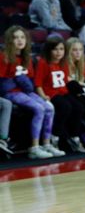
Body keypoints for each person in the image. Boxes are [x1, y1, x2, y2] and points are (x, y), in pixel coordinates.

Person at [0, 26, 59, 158]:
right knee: (38, 109)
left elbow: (30, 84)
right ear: (9, 40)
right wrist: (18, 80)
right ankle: (34, 147)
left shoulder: (27, 58)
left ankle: (47, 144)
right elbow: (3, 84)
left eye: (22, 37)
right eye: (15, 38)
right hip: (11, 93)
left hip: (25, 91)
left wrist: (23, 82)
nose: (19, 40)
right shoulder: (3, 57)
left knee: (49, 108)